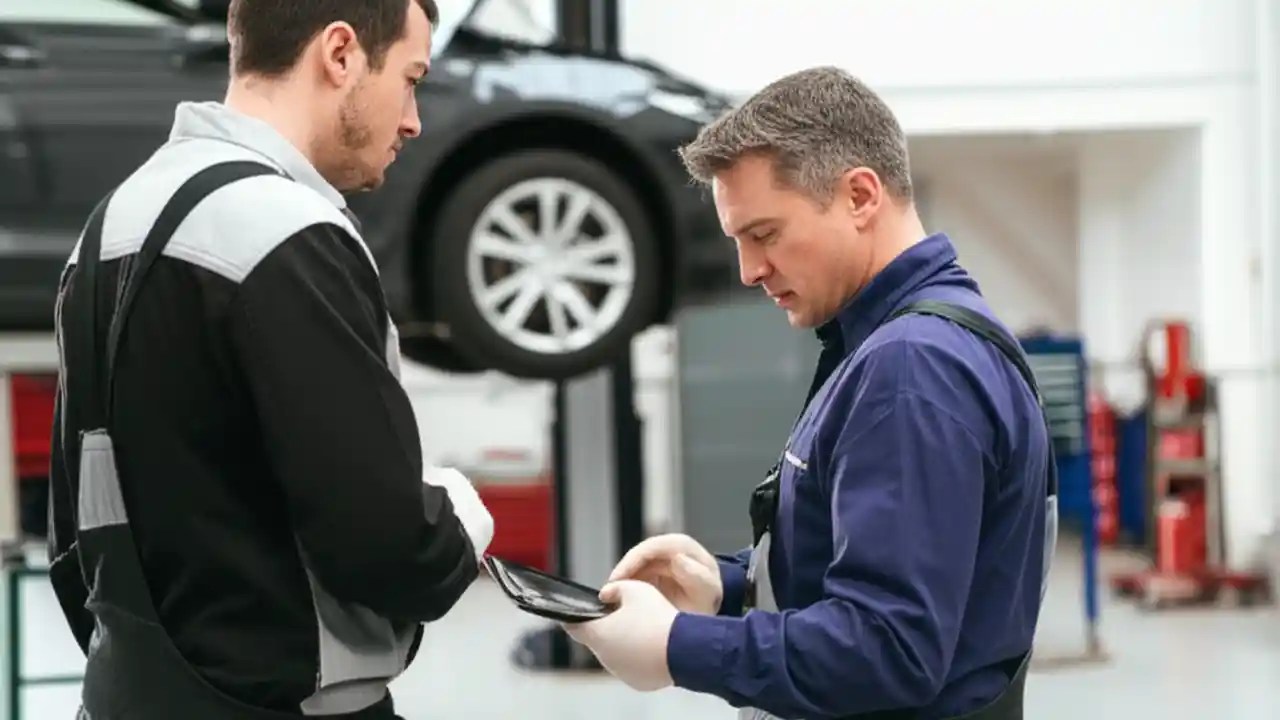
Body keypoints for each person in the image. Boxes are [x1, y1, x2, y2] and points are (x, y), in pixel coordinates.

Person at [563, 66, 1059, 719]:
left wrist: (678, 645)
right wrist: (732, 585)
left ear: (859, 196)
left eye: (764, 234)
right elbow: (887, 565)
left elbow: (888, 649)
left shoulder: (913, 367)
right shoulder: (914, 341)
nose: (749, 271)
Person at [46, 2, 494, 718]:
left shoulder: (108, 228)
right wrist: (464, 517)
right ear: (340, 53)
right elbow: (391, 548)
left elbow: (78, 516)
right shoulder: (286, 231)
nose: (412, 120)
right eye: (411, 79)